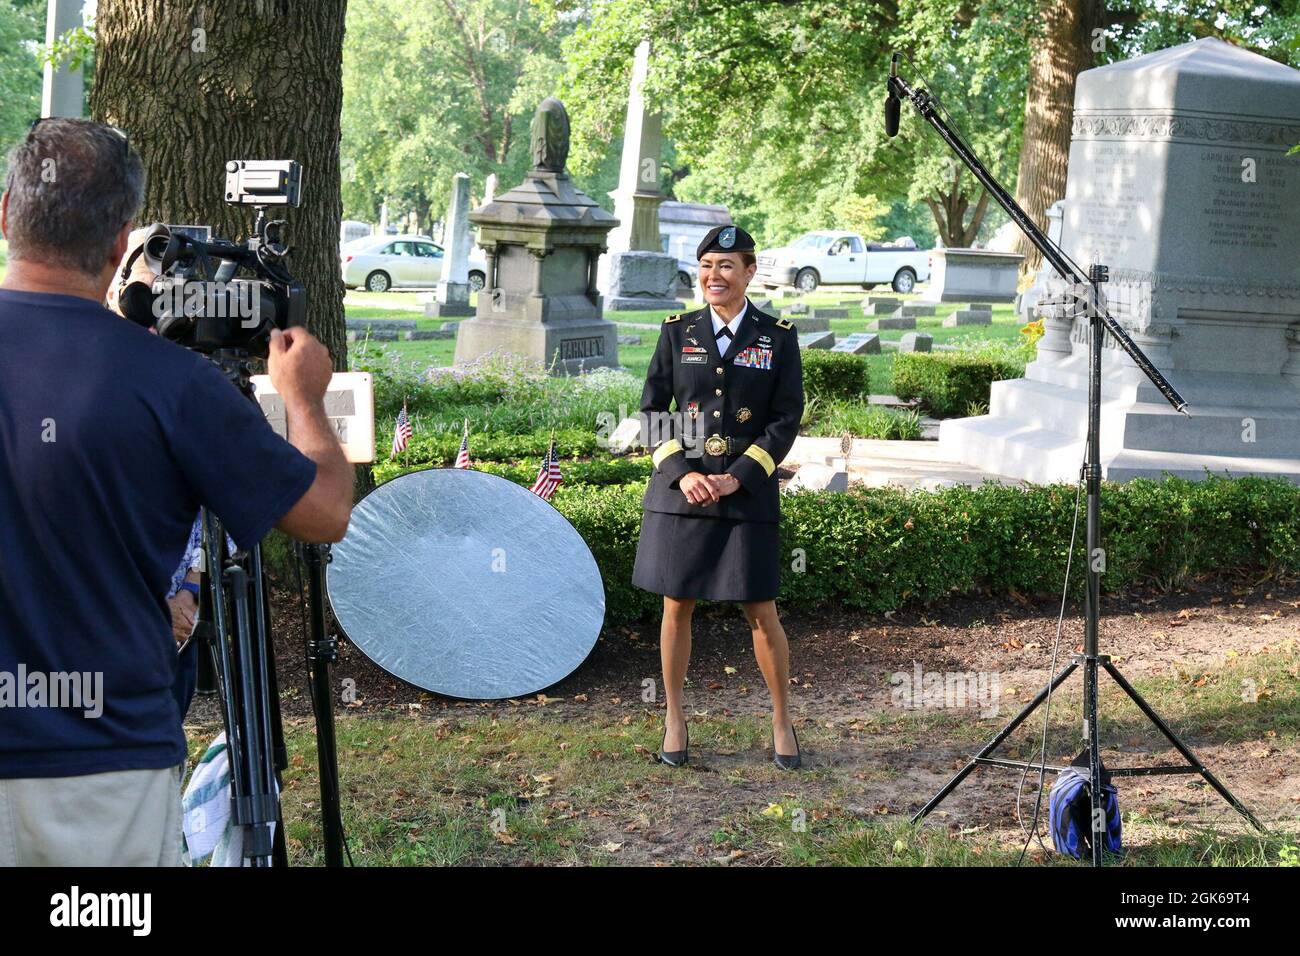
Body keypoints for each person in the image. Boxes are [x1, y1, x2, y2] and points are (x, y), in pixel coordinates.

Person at [0, 118, 353, 866]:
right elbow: (324, 513)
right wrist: (305, 400)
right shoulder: (170, 383)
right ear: (122, 235)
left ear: (5, 212)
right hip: (103, 765)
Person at [631, 224, 805, 770]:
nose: (714, 276)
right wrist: (682, 473)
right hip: (683, 492)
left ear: (750, 272)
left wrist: (740, 476)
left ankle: (781, 720)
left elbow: (784, 418)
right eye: (707, 265)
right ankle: (675, 717)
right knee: (676, 605)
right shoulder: (676, 331)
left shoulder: (778, 336)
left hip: (744, 492)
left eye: (727, 266)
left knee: (760, 609)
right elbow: (652, 411)